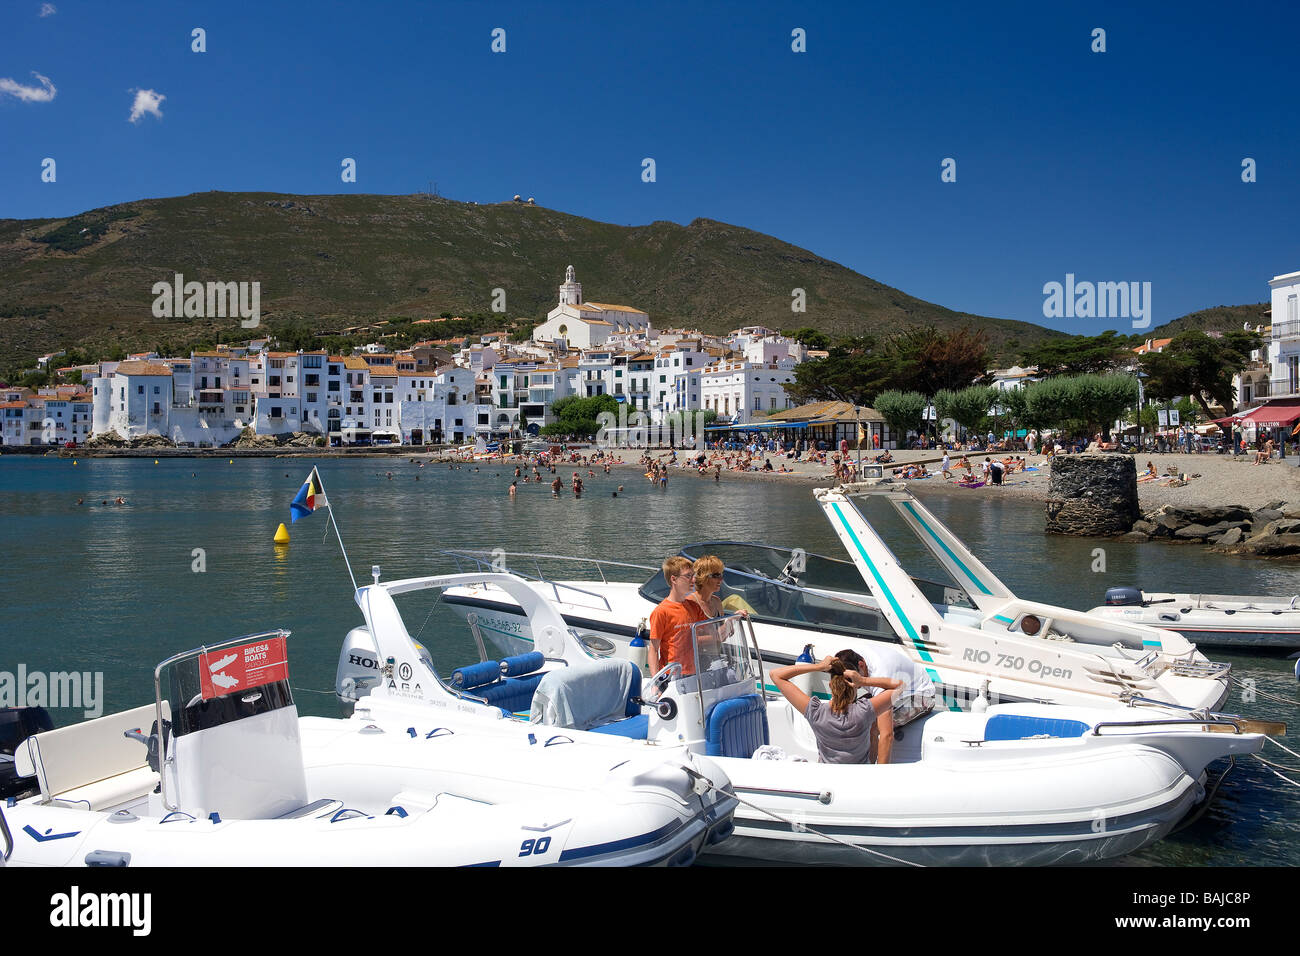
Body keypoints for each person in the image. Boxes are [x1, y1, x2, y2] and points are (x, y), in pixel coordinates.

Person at [769, 655, 903, 764]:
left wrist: (819, 666)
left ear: (830, 685)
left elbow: (775, 675)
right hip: (860, 778)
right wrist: (863, 680)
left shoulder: (816, 712)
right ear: (855, 687)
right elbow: (900, 686)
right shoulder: (864, 711)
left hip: (829, 778)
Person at [648, 557, 708, 677]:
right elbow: (653, 649)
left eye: (693, 575)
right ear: (674, 579)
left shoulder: (694, 607)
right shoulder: (661, 611)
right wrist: (655, 682)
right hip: (671, 675)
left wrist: (731, 621)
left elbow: (710, 630)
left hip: (694, 674)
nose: (693, 579)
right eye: (688, 576)